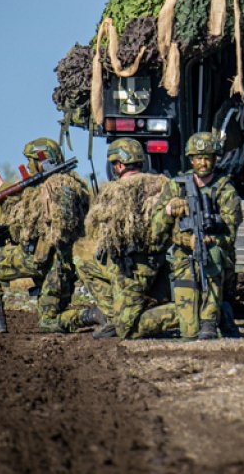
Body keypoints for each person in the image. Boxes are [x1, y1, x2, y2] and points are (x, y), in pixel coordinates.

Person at [0, 137, 97, 334]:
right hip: (61, 266)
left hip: (38, 260)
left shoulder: (48, 189)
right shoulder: (74, 186)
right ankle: (93, 315)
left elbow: (19, 217)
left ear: (42, 161)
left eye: (32, 161)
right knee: (49, 322)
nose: (29, 167)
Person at [147, 132, 242, 340]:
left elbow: (230, 233)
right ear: (191, 159)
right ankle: (220, 313)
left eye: (208, 157)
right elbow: (155, 229)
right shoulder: (176, 186)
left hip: (213, 255)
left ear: (215, 159)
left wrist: (211, 240)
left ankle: (211, 319)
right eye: (198, 158)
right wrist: (169, 211)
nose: (203, 163)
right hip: (183, 256)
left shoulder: (225, 189)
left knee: (214, 257)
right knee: (189, 332)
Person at [76, 138, 173, 339]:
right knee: (85, 263)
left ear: (119, 165)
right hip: (152, 262)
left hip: (133, 268)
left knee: (127, 331)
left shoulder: (117, 190)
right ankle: (116, 316)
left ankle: (186, 312)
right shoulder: (163, 185)